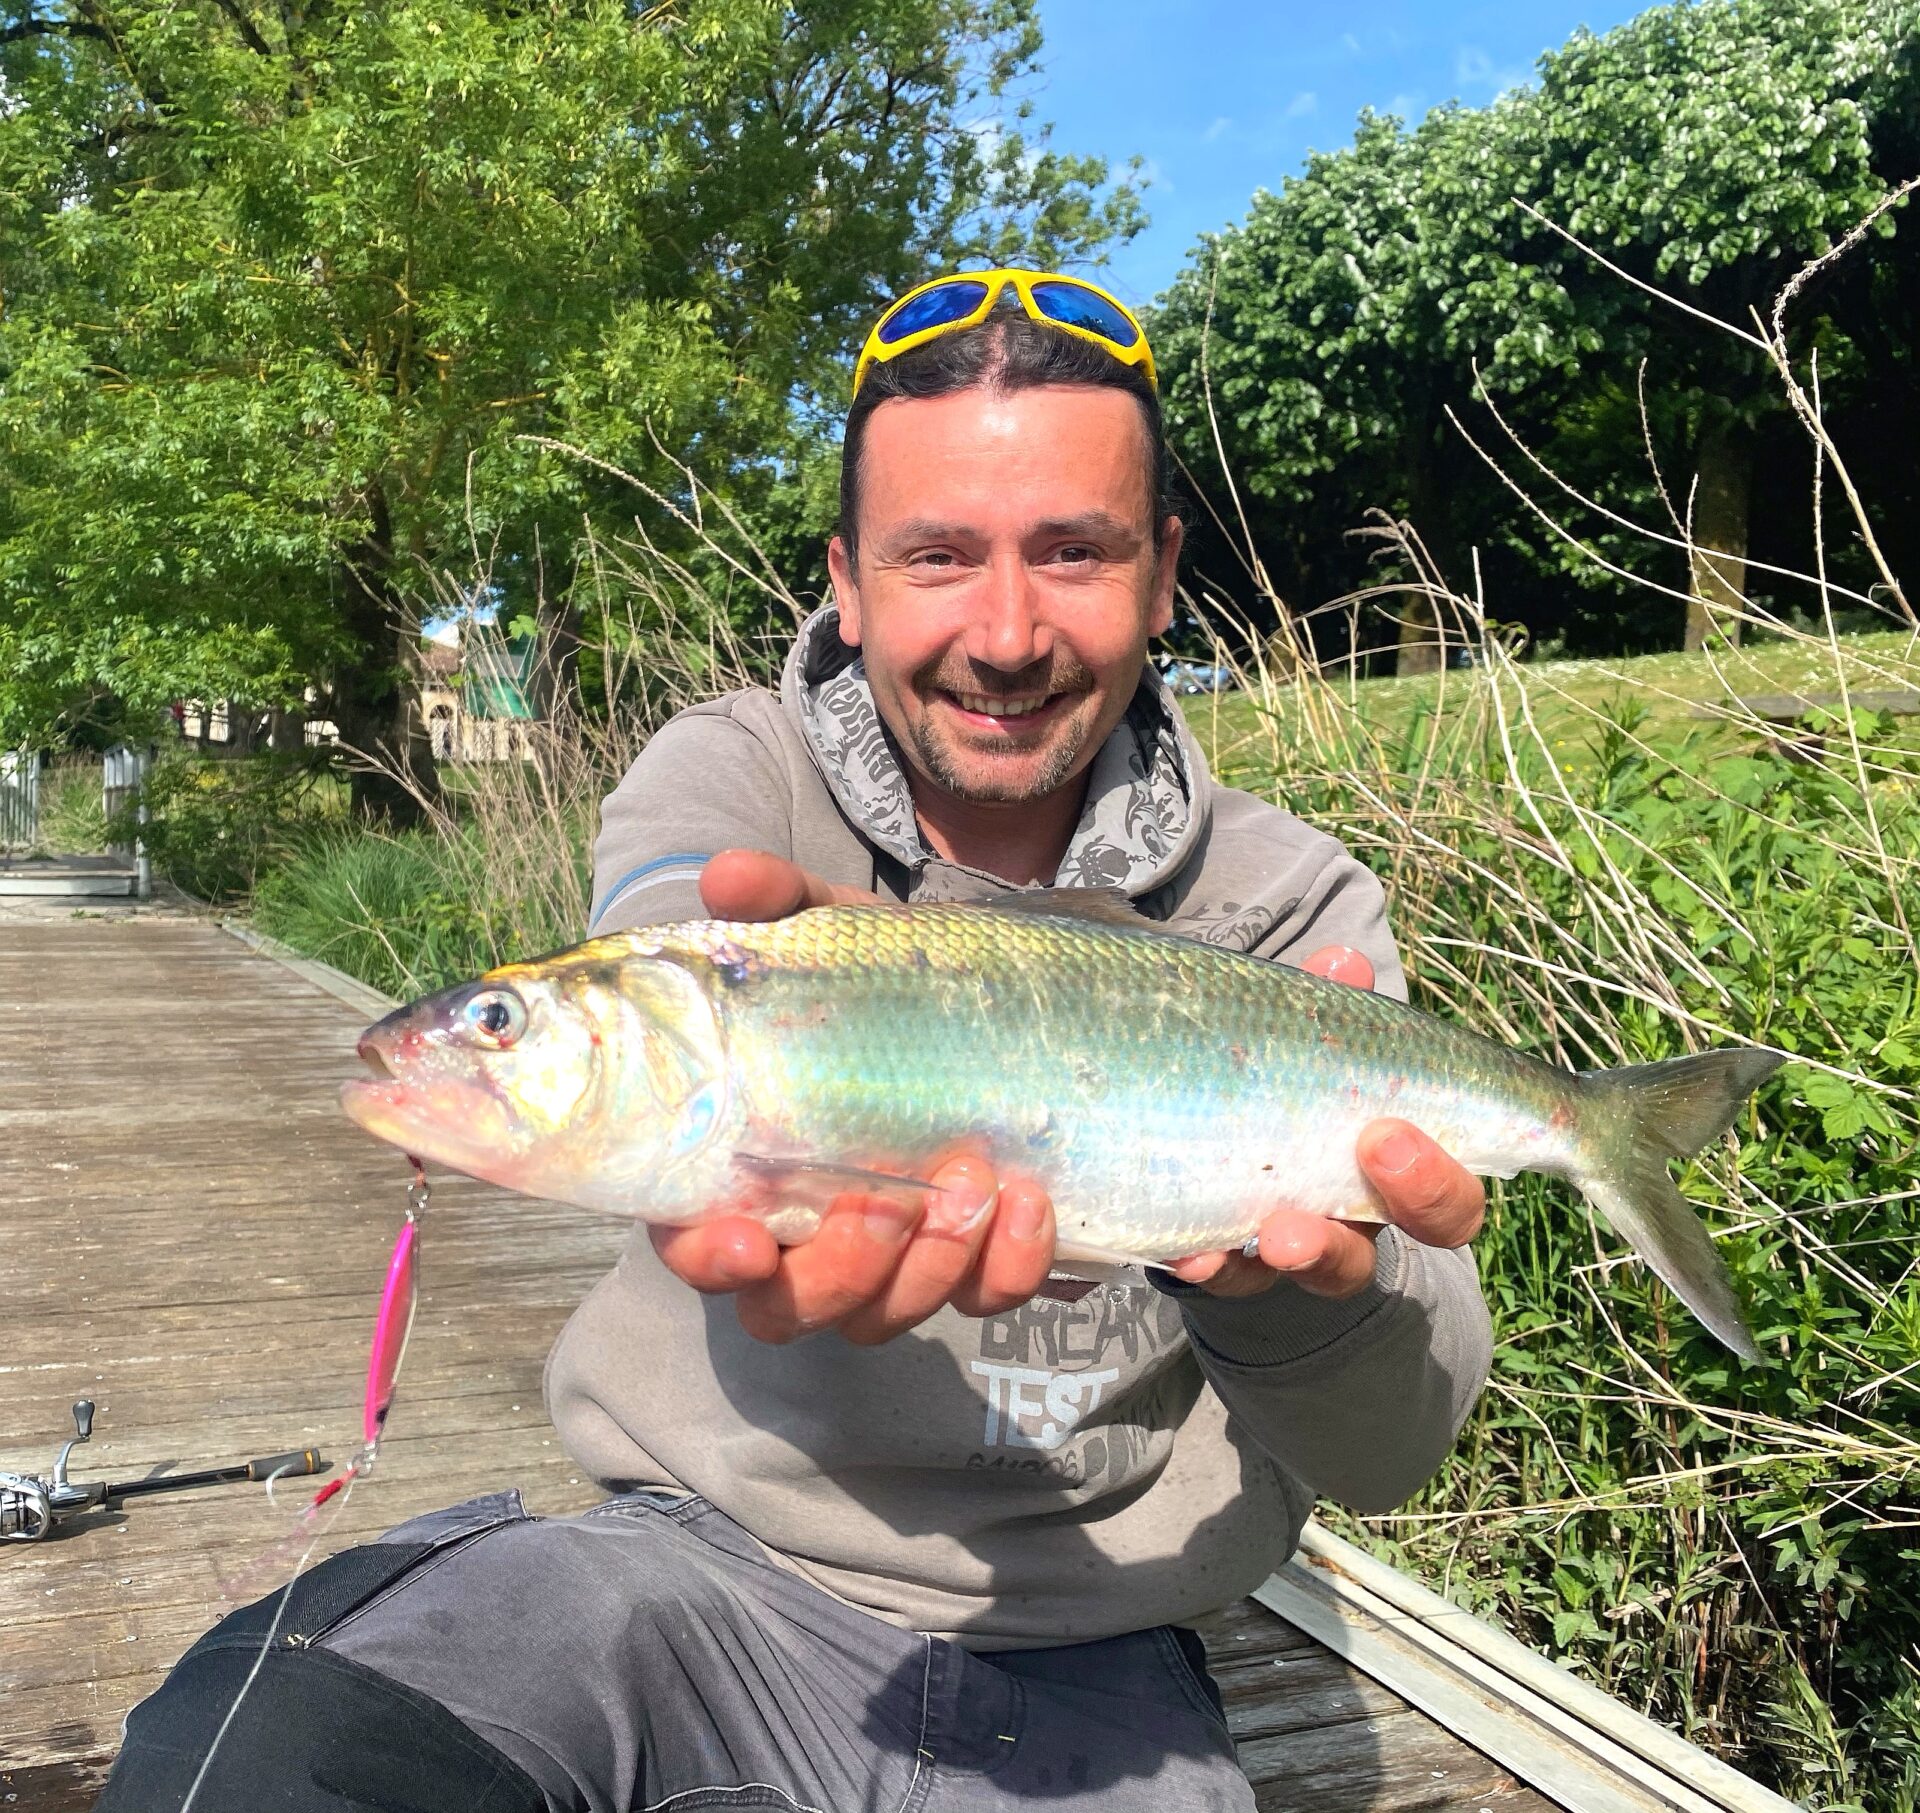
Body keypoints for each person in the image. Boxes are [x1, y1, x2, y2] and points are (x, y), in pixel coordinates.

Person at [99, 271, 1492, 1813]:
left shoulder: (1295, 907)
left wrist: (1279, 1285)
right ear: (847, 580)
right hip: (683, 1583)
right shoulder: (727, 780)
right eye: (937, 555)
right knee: (260, 1757)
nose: (1007, 632)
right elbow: (673, 921)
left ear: (1164, 574)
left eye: (1074, 552)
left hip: (1103, 1658)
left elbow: (1393, 1448)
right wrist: (767, 991)